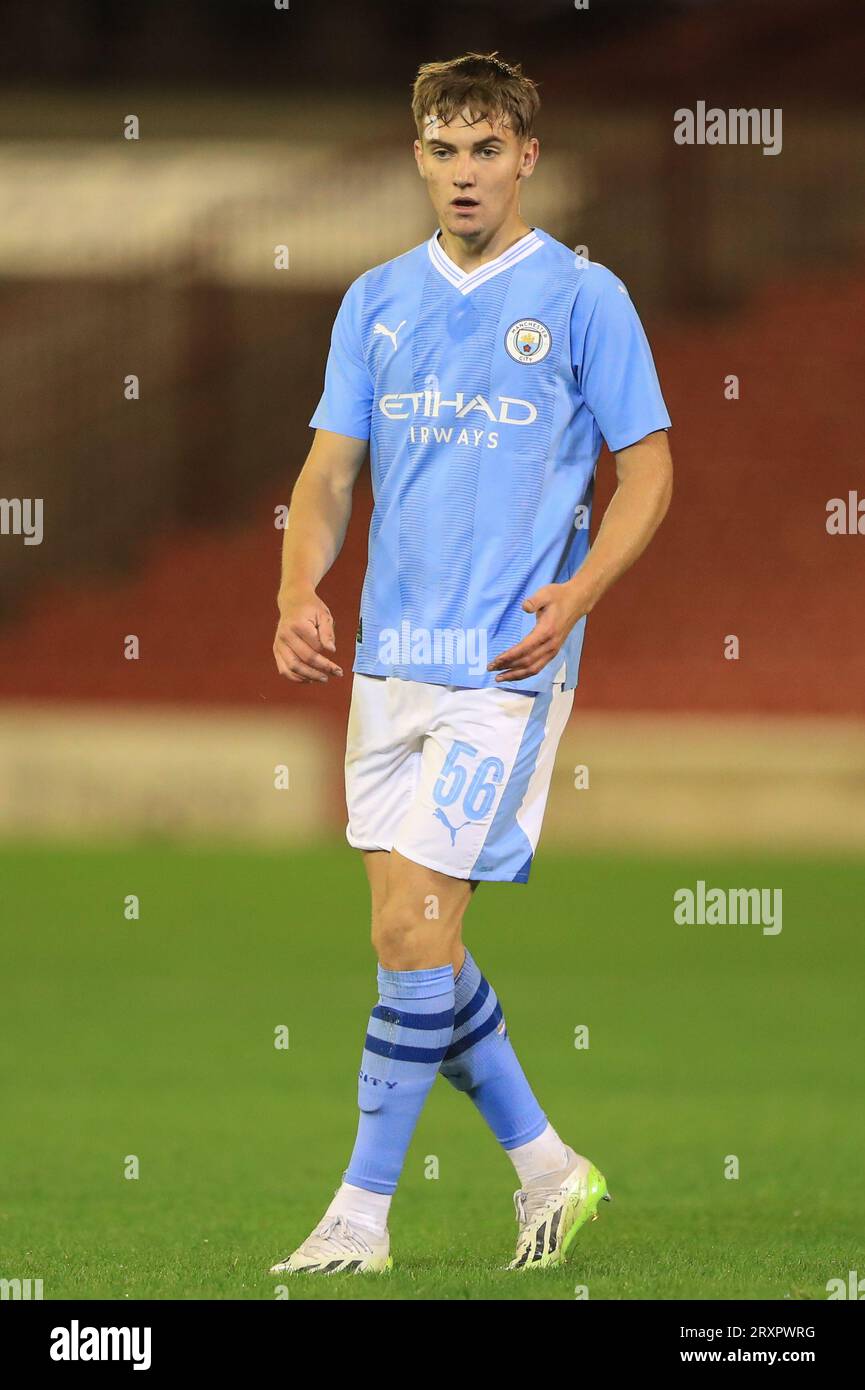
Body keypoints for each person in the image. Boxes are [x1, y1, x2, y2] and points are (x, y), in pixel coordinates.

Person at [270, 51, 672, 1274]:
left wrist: (584, 587)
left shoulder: (584, 298)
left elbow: (648, 469)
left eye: (486, 149)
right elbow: (329, 475)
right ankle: (550, 1169)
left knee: (411, 935)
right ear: (417, 158)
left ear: (527, 158)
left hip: (505, 667)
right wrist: (298, 585)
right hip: (390, 667)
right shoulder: (375, 301)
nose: (464, 172)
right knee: (418, 942)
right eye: (443, 150)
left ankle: (360, 1216)